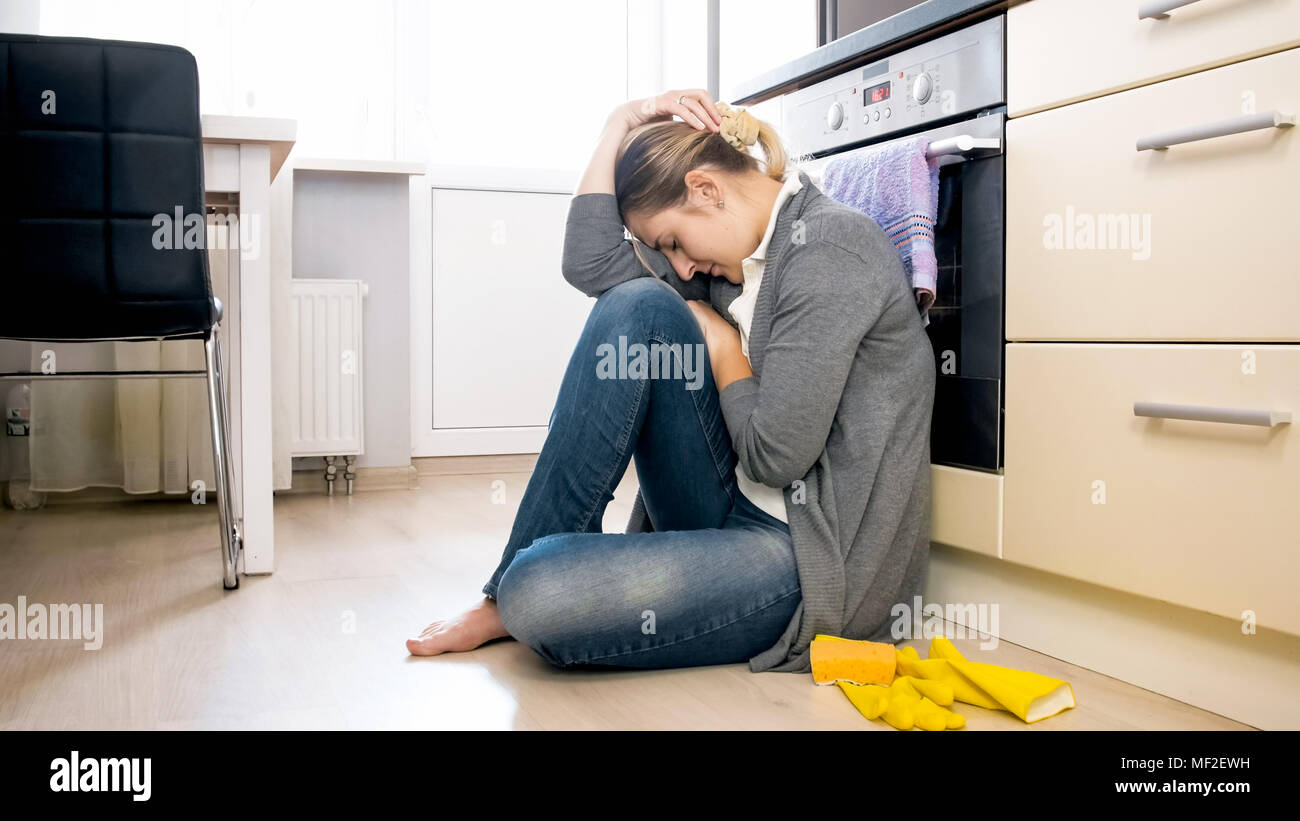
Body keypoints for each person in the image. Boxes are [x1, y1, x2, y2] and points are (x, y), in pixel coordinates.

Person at [407, 88, 935, 674]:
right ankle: (503, 591)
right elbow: (588, 265)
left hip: (804, 556)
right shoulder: (732, 266)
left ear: (707, 190)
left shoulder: (831, 246)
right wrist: (617, 124)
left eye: (674, 243)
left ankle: (527, 586)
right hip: (728, 507)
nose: (681, 266)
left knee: (538, 592)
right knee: (637, 306)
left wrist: (724, 345)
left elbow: (776, 459)